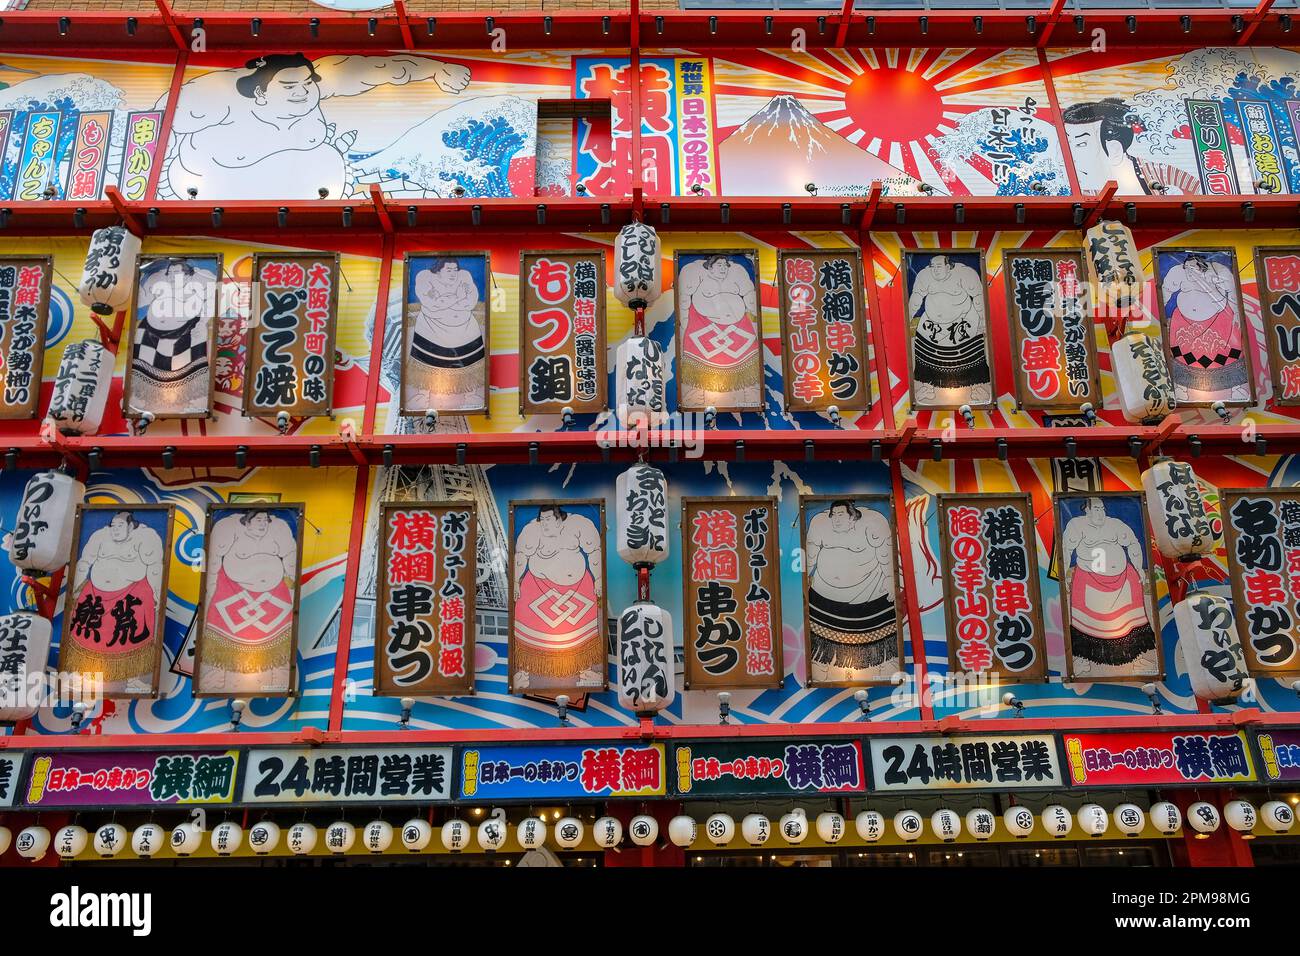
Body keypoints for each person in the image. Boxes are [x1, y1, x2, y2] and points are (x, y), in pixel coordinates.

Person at [158, 53, 471, 200]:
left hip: (326, 199)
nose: (303, 92)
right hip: (209, 201)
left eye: (307, 83)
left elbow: (376, 69)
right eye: (290, 86)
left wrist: (436, 69)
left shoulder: (322, 84)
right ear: (260, 92)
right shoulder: (219, 96)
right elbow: (156, 120)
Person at [197, 509, 298, 694]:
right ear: (247, 521)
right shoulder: (229, 531)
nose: (263, 523)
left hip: (273, 596)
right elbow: (213, 562)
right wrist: (211, 588)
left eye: (265, 519)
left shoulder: (280, 531)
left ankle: (280, 679)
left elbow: (291, 559)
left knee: (280, 644)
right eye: (258, 519)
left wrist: (293, 585)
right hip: (233, 593)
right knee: (222, 645)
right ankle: (217, 678)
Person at [63, 511, 165, 694]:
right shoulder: (100, 536)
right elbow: (84, 562)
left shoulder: (146, 538)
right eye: (113, 526)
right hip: (97, 594)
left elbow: (156, 567)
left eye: (120, 526)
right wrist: (74, 589)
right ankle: (80, 674)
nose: (115, 530)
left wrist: (156, 594)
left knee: (131, 634)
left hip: (130, 595)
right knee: (86, 630)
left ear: (131, 526)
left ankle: (133, 679)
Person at [804, 500, 899, 682]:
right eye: (833, 515)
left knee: (882, 649)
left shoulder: (873, 523)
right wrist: (804, 578)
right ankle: (820, 672)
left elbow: (886, 553)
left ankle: (886, 673)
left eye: (841, 514)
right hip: (825, 594)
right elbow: (810, 555)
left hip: (868, 592)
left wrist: (889, 580)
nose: (836, 519)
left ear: (852, 515)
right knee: (820, 649)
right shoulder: (818, 523)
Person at [512, 505, 603, 689]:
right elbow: (521, 556)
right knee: (524, 623)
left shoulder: (579, 524)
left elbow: (594, 551)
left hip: (577, 588)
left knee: (584, 628)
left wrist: (599, 578)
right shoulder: (532, 530)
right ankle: (523, 671)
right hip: (539, 587)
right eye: (542, 519)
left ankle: (585, 670)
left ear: (559, 518)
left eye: (548, 519)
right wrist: (515, 581)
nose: (544, 524)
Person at [1060, 497, 1156, 672]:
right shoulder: (1076, 525)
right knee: (1083, 622)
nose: (1100, 512)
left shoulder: (1115, 525)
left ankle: (1139, 660)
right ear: (1086, 510)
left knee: (1133, 622)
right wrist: (1062, 574)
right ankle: (1081, 661)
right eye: (1095, 509)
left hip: (1121, 576)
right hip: (1089, 577)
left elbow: (1133, 543)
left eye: (1102, 508)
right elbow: (1066, 549)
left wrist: (1139, 568)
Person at [127, 259, 218, 417]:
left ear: (188, 275)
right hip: (150, 330)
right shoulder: (157, 280)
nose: (172, 277)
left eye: (178, 273)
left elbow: (211, 298)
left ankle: (192, 400)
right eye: (171, 274)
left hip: (186, 330)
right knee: (144, 363)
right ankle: (144, 398)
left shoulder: (200, 281)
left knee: (189, 364)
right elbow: (142, 299)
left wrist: (202, 322)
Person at [1062, 98, 1200, 197]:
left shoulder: (1164, 174)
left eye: (1080, 144)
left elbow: (1202, 193)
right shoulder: (1083, 192)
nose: (1070, 155)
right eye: (1068, 144)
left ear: (1114, 150)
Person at [1160, 252, 1249, 402]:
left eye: (1193, 268)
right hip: (1184, 321)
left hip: (1219, 320)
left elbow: (1233, 293)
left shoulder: (1218, 271)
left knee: (1229, 353)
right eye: (1188, 268)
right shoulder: (1178, 271)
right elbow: (1165, 291)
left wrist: (1236, 315)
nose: (1190, 271)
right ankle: (1181, 388)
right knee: (1180, 354)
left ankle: (1237, 389)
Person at [677, 254, 760, 407]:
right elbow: (683, 299)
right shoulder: (694, 275)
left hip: (738, 328)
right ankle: (696, 398)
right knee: (699, 376)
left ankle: (749, 397)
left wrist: (754, 312)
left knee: (748, 368)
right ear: (709, 267)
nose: (723, 268)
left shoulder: (738, 273)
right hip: (703, 328)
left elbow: (750, 295)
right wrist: (684, 321)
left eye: (724, 265)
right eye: (719, 265)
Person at [907, 254, 991, 405]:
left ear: (948, 266)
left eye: (939, 267)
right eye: (933, 267)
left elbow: (978, 296)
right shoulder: (924, 276)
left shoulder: (965, 274)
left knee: (971, 355)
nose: (935, 270)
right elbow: (916, 297)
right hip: (933, 323)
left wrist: (982, 321)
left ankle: (977, 388)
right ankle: (927, 387)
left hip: (963, 321)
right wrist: (906, 318)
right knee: (926, 354)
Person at [404, 259, 485, 411]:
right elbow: (431, 303)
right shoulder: (425, 277)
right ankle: (423, 394)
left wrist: (445, 300)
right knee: (426, 363)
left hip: (464, 326)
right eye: (448, 270)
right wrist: (457, 298)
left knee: (470, 362)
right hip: (431, 327)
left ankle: (471, 394)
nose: (453, 273)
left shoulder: (464, 276)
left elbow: (471, 301)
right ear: (439, 270)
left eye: (455, 269)